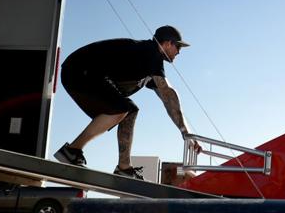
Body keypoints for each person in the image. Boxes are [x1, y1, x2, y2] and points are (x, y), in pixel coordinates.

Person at [53, 25, 196, 179]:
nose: (179, 52)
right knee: (121, 108)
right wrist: (186, 132)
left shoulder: (147, 61)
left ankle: (124, 167)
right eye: (178, 46)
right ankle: (72, 151)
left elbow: (167, 99)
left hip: (83, 73)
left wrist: (185, 131)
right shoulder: (151, 53)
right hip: (79, 70)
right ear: (168, 43)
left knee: (130, 110)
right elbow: (169, 94)